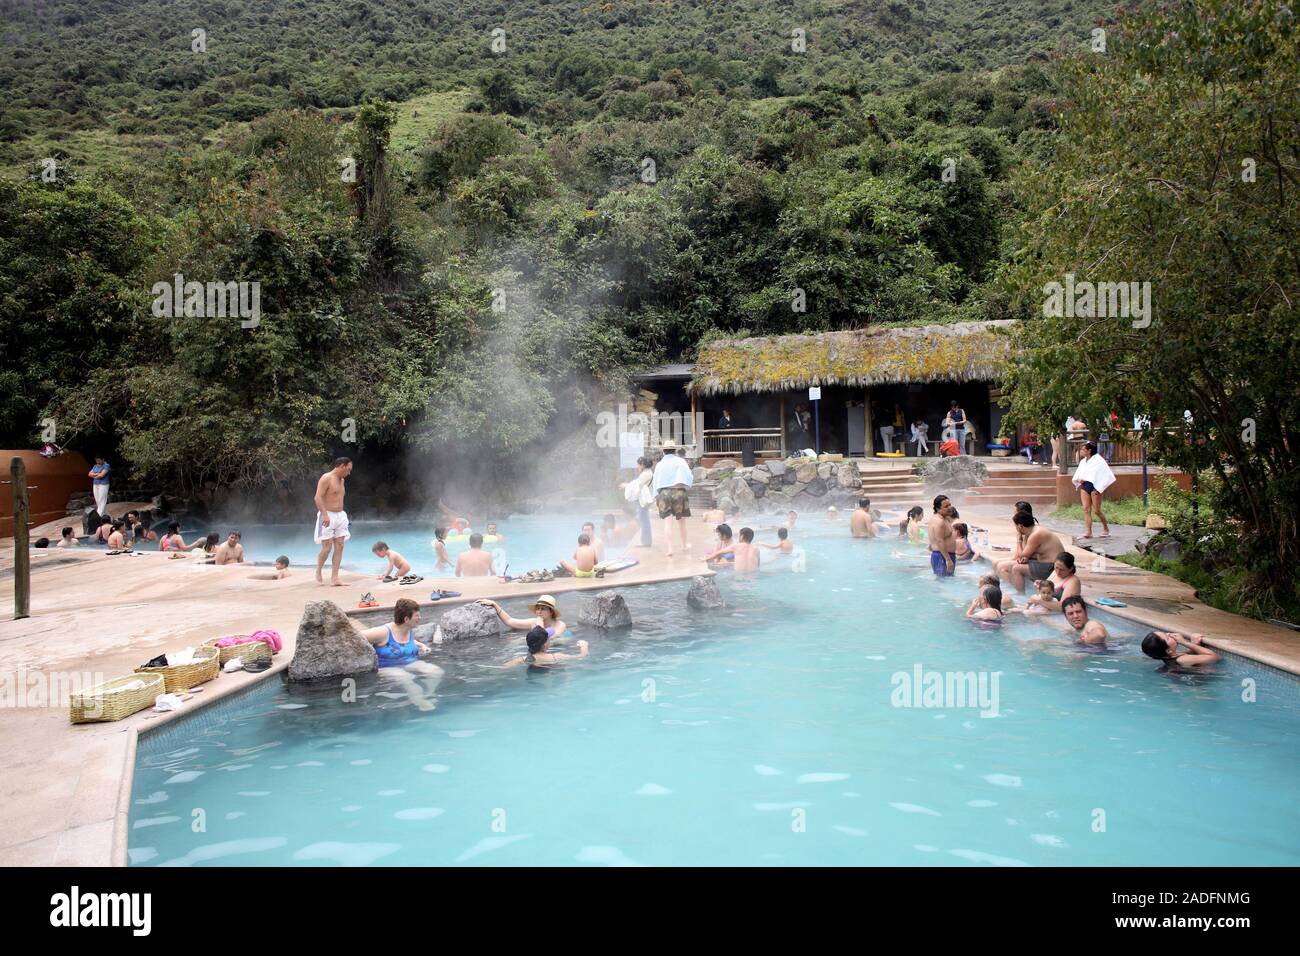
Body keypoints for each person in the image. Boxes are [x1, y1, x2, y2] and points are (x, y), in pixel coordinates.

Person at [356, 599, 440, 709]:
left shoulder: (408, 628)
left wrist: (421, 646)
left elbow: (406, 642)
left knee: (435, 672)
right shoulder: (383, 632)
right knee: (406, 677)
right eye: (417, 616)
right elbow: (356, 636)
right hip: (386, 667)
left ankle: (429, 694)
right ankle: (418, 701)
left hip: (407, 662)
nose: (420, 618)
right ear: (406, 619)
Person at [996, 512, 1066, 593]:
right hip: (1044, 563)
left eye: (1015, 526)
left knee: (1016, 569)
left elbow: (1020, 555)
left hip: (1052, 567)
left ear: (1020, 526)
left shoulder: (1036, 534)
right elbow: (1026, 555)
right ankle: (1014, 589)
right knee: (1002, 566)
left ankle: (1020, 595)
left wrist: (1019, 539)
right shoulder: (1034, 531)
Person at [314, 456, 353, 586]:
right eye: (348, 469)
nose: (349, 473)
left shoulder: (341, 480)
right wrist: (325, 515)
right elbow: (317, 497)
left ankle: (335, 578)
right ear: (342, 466)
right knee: (327, 548)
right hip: (327, 514)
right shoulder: (326, 478)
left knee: (340, 546)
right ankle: (318, 571)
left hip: (340, 515)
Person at [652, 439, 693, 556]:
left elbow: (655, 482)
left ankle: (670, 549)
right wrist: (686, 486)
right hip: (679, 492)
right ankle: (684, 545)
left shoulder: (659, 465)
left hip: (664, 493)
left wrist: (656, 497)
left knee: (667, 522)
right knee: (682, 522)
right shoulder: (680, 461)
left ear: (664, 451)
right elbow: (689, 476)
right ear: (674, 451)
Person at [1072, 441, 1114, 539]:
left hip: (1095, 486)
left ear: (1089, 450)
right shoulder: (1083, 461)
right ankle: (1088, 532)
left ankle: (1106, 529)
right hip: (1085, 485)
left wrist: (1097, 487)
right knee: (1086, 509)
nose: (1081, 451)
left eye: (1083, 449)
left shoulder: (1099, 460)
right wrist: (1079, 479)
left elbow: (1104, 474)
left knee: (1097, 510)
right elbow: (1080, 473)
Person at [479, 594, 568, 640]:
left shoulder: (559, 625)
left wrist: (523, 639)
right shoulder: (533, 622)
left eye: (543, 609)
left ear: (551, 612)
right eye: (537, 608)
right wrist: (495, 605)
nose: (539, 611)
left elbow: (552, 640)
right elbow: (510, 621)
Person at [504, 625, 589, 668]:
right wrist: (584, 645)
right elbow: (582, 656)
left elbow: (504, 667)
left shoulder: (522, 660)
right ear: (545, 644)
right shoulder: (557, 657)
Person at [623, 455, 655, 547]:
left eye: (638, 465)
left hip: (643, 501)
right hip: (645, 500)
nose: (637, 467)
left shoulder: (645, 474)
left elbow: (638, 486)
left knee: (644, 520)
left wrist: (627, 487)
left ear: (642, 465)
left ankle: (645, 541)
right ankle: (646, 540)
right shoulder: (647, 473)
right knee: (644, 519)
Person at [1141, 631, 1220, 667]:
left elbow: (1190, 654)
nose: (1169, 634)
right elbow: (1214, 657)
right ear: (1168, 650)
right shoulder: (1181, 660)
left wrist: (1195, 644)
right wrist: (1185, 642)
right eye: (1167, 637)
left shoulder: (1169, 656)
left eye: (1165, 633)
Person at [927, 495, 956, 576]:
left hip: (942, 555)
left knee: (946, 582)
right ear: (938, 509)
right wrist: (948, 560)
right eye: (946, 506)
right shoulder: (939, 522)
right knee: (944, 583)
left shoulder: (943, 519)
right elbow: (939, 541)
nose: (950, 507)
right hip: (942, 557)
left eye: (950, 504)